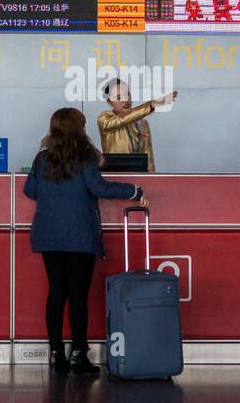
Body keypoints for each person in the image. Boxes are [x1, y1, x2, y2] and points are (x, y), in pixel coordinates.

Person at [23, 107, 147, 375]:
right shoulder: (85, 158)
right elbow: (100, 188)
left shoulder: (42, 159)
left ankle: (56, 355)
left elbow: (29, 190)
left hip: (49, 235)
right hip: (80, 236)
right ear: (78, 129)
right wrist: (134, 190)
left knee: (57, 293)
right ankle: (79, 355)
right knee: (78, 295)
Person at [96, 79, 177, 171]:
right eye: (118, 97)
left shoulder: (142, 123)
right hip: (115, 177)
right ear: (109, 102)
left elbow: (148, 158)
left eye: (127, 94)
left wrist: (151, 179)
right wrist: (151, 105)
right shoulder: (105, 119)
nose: (125, 100)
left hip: (138, 177)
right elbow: (122, 120)